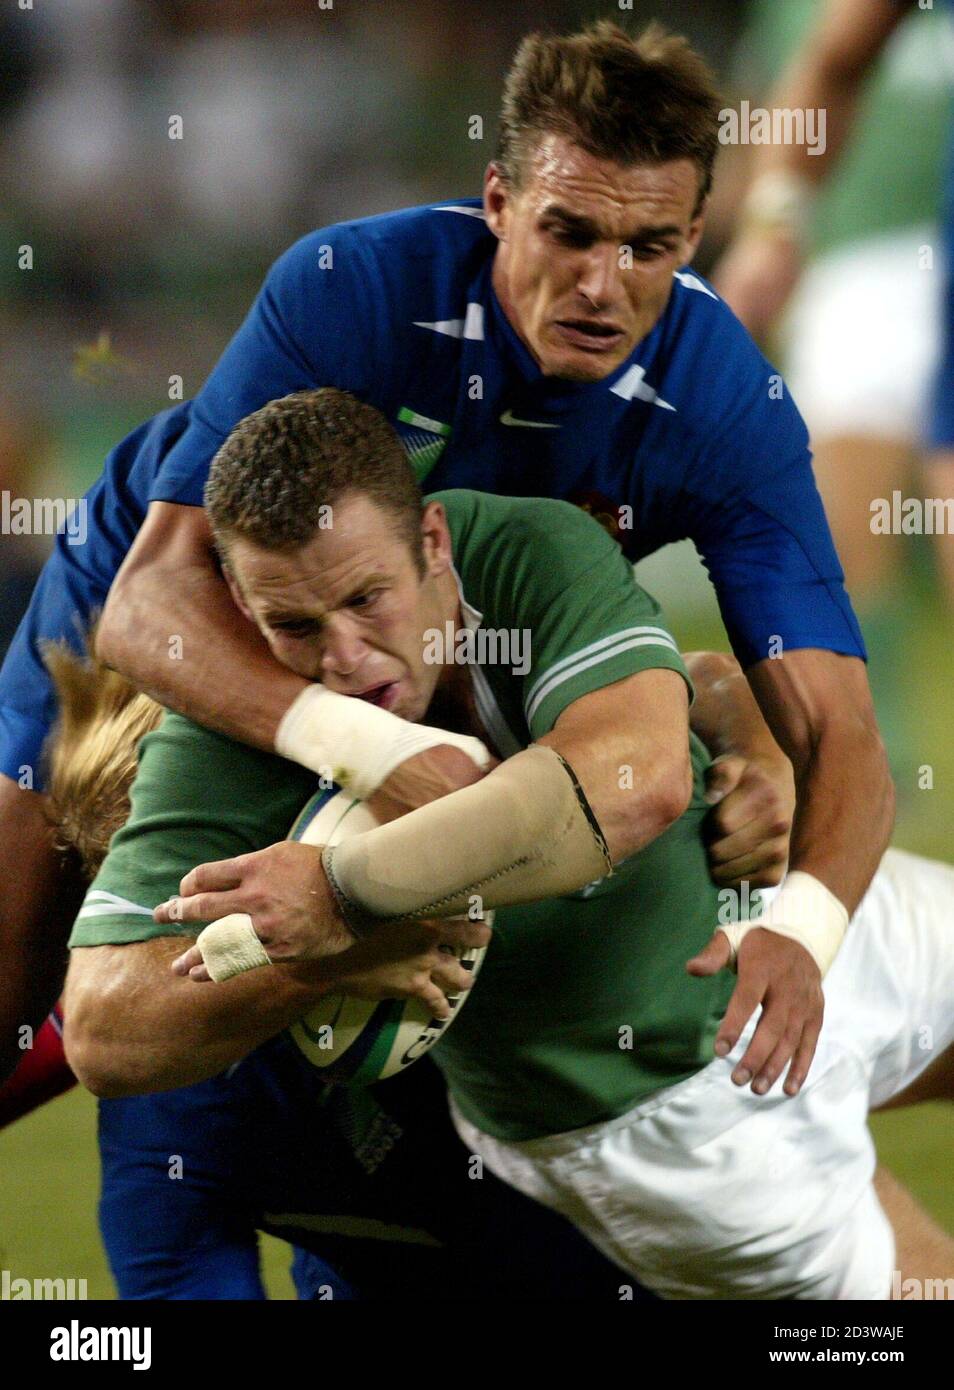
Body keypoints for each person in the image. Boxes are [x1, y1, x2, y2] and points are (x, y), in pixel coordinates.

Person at [0, 20, 891, 1101]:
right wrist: (372, 748)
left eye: (648, 246)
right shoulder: (357, 287)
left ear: (697, 235)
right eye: (568, 230)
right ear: (499, 202)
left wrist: (799, 918)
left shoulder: (723, 409)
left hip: (423, 652)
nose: (601, 285)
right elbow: (148, 606)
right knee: (21, 980)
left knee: (361, 993)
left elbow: (841, 731)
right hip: (190, 600)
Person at [63, 390, 950, 1300]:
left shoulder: (523, 547)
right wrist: (320, 954)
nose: (346, 657)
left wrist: (347, 891)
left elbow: (643, 769)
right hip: (663, 1117)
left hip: (774, 924)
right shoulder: (215, 744)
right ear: (240, 611)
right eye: (292, 627)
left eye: (368, 599)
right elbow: (102, 1032)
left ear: (435, 546)